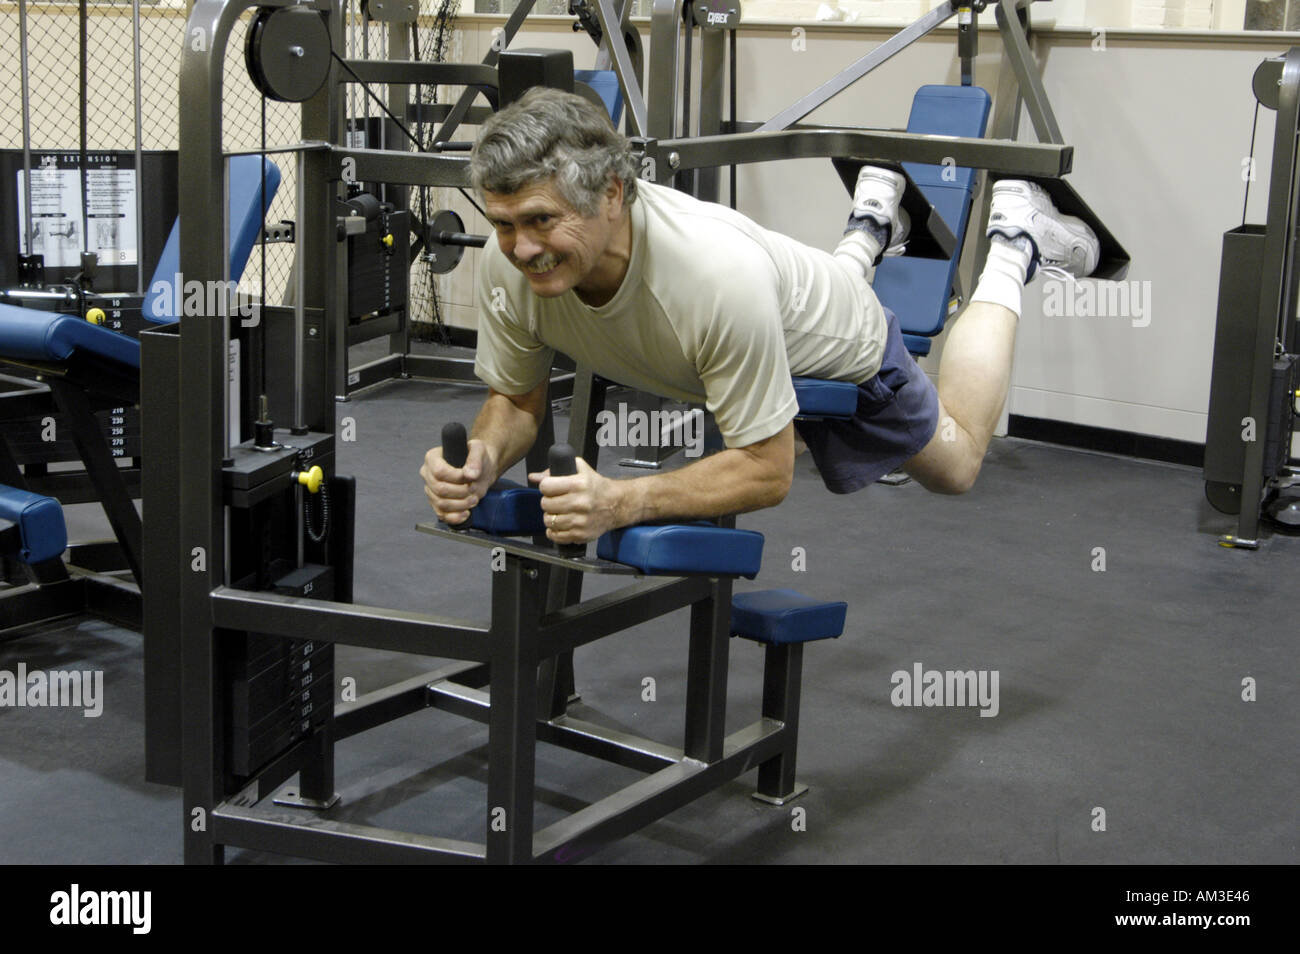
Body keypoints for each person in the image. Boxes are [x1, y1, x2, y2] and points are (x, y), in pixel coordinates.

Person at [420, 87, 1100, 544]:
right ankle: (873, 221)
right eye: (504, 224)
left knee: (956, 463)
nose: (522, 248)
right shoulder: (515, 264)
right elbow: (516, 400)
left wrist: (622, 501)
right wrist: (482, 458)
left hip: (846, 342)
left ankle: (1016, 239)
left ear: (613, 195)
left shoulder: (711, 277)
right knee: (793, 294)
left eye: (541, 220)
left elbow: (767, 471)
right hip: (777, 297)